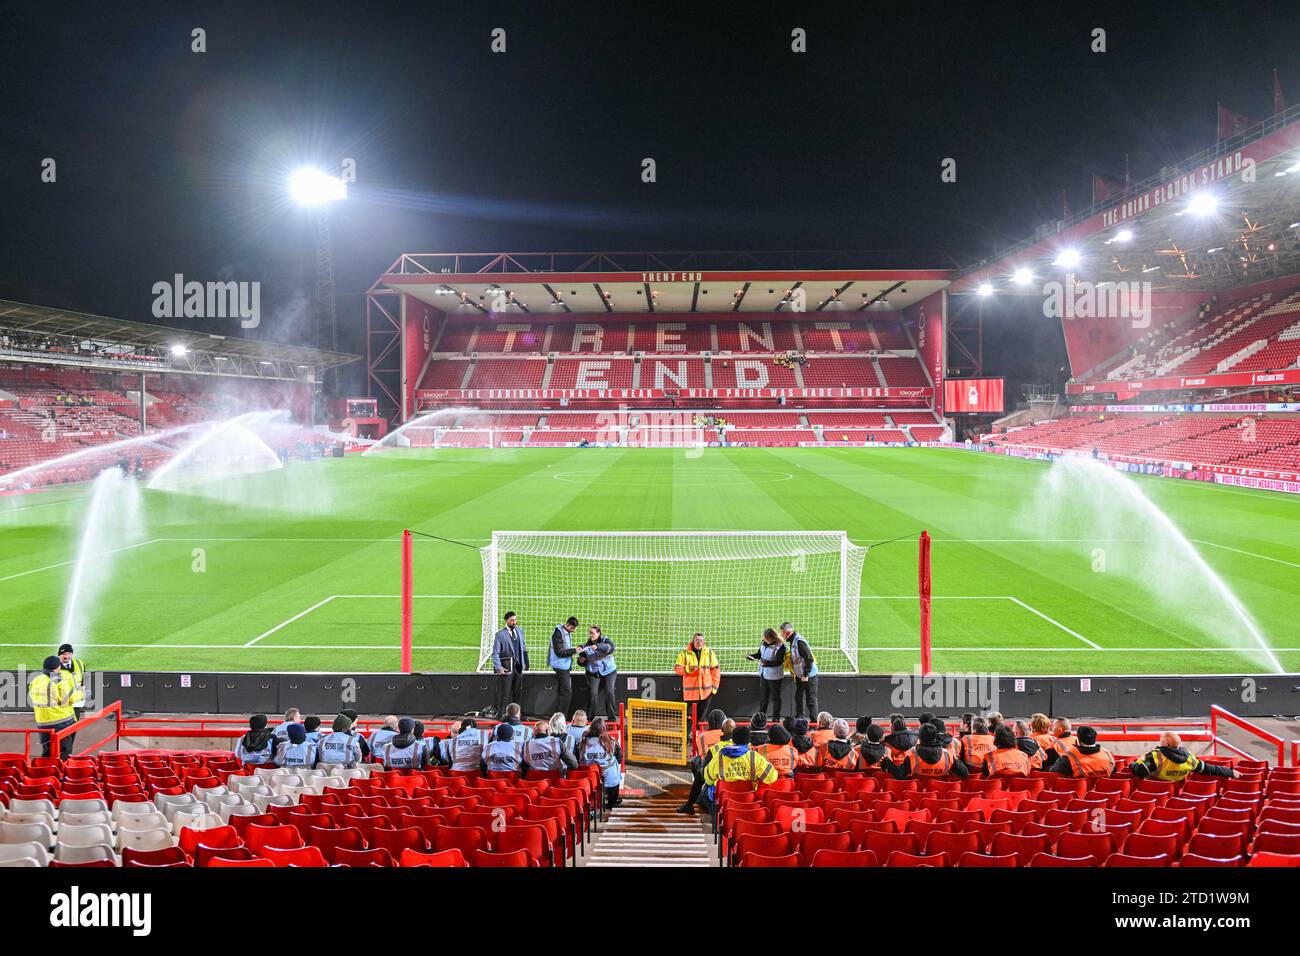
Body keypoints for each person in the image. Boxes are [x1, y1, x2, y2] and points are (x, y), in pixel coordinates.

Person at [701, 725, 778, 812]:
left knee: (705, 790)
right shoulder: (755, 757)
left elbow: (708, 778)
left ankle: (715, 820)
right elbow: (771, 778)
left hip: (725, 803)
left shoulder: (720, 756)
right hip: (749, 802)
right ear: (748, 740)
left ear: (732, 739)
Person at [679, 717, 735, 815]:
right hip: (741, 789)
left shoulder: (714, 748)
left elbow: (705, 772)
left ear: (722, 730)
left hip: (719, 786)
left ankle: (690, 805)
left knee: (700, 773)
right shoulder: (746, 748)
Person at [1131, 732, 1239, 781]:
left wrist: (1132, 764)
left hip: (1156, 790)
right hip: (1176, 792)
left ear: (1165, 745)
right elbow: (1208, 769)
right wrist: (1231, 772)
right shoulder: (1189, 758)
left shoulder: (1155, 756)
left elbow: (1140, 772)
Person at [27, 655, 78, 759]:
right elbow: (70, 698)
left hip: (42, 723)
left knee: (47, 752)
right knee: (64, 753)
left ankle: (43, 773)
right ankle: (61, 774)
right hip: (61, 722)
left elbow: (32, 696)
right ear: (58, 667)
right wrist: (84, 693)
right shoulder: (58, 680)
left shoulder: (36, 680)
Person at [882, 723, 969, 780]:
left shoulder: (912, 755)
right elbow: (964, 774)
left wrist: (887, 761)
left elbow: (899, 775)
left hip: (917, 799)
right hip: (940, 799)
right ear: (935, 737)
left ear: (919, 738)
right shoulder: (947, 755)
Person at [577, 717, 624, 809]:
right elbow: (619, 757)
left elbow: (577, 756)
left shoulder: (583, 741)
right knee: (614, 767)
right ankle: (612, 802)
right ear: (604, 728)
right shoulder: (611, 741)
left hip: (589, 774)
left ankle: (591, 801)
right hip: (608, 774)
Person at [491, 611, 529, 719]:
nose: (514, 622)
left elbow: (523, 647)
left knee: (517, 693)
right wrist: (499, 667)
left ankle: (517, 715)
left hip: (518, 667)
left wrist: (526, 661)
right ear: (506, 621)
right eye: (512, 620)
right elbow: (495, 652)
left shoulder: (519, 630)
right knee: (505, 693)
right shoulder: (500, 634)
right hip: (506, 668)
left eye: (515, 620)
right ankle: (502, 715)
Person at [674, 632, 721, 718]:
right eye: (697, 640)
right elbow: (677, 669)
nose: (699, 642)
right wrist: (688, 669)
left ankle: (699, 732)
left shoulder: (710, 653)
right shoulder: (684, 653)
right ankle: (689, 732)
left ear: (704, 642)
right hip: (690, 694)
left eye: (701, 640)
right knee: (688, 719)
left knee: (701, 719)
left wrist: (714, 689)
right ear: (693, 641)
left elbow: (716, 671)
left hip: (706, 693)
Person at [578, 626, 618, 719]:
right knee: (592, 694)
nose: (590, 635)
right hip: (593, 673)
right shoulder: (586, 645)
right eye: (590, 633)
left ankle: (612, 718)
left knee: (609, 692)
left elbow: (611, 648)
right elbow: (582, 661)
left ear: (598, 633)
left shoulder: (606, 640)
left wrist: (598, 646)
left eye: (592, 633)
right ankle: (590, 719)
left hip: (609, 671)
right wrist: (581, 661)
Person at [747, 627, 786, 721]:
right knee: (764, 698)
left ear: (772, 638)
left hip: (775, 677)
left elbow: (779, 662)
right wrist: (752, 656)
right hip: (764, 675)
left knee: (776, 698)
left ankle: (776, 718)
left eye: (766, 638)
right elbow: (759, 654)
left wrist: (767, 663)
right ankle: (761, 717)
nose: (764, 639)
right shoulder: (763, 643)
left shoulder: (780, 646)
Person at [781, 622, 818, 719]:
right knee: (799, 697)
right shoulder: (793, 640)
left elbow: (809, 658)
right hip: (800, 675)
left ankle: (814, 722)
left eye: (783, 633)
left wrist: (806, 674)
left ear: (788, 632)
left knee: (811, 699)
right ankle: (799, 718)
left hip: (809, 675)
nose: (782, 635)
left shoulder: (799, 642)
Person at [1048, 725, 1115, 777]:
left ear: (1078, 740)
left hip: (1076, 793)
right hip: (1104, 793)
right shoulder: (1107, 754)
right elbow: (1114, 771)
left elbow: (1053, 773)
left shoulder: (1068, 758)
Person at [548, 616, 580, 717]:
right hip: (560, 666)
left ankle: (559, 716)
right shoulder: (558, 633)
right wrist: (575, 650)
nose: (574, 630)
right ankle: (561, 717)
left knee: (563, 691)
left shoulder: (564, 631)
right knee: (566, 691)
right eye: (572, 628)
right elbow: (559, 652)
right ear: (568, 625)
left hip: (564, 666)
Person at [57, 643, 87, 715]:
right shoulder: (55, 666)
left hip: (76, 700)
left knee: (75, 721)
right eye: (63, 654)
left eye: (69, 653)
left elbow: (83, 678)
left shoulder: (79, 663)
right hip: (63, 702)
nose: (66, 656)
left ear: (72, 654)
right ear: (59, 655)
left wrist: (82, 689)